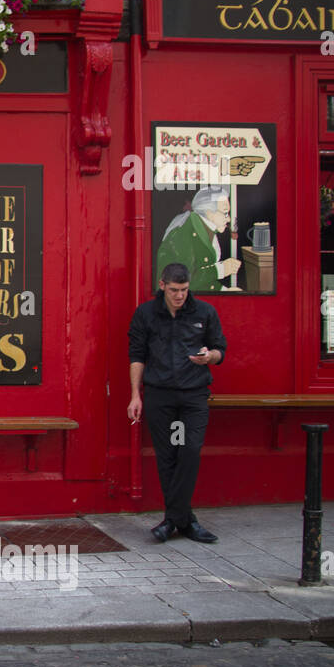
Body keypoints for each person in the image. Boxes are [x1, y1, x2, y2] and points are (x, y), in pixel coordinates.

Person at [127, 262, 227, 543]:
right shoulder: (146, 314)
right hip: (161, 396)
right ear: (162, 286)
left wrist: (210, 357)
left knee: (189, 450)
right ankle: (185, 521)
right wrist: (136, 395)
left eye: (184, 290)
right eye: (174, 290)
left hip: (193, 395)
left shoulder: (204, 312)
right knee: (169, 454)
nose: (179, 295)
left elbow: (220, 348)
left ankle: (174, 519)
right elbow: (137, 355)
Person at [155, 185, 241, 292]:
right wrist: (220, 270)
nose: (228, 219)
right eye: (225, 212)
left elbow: (204, 282)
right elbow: (181, 282)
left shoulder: (205, 229)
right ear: (209, 212)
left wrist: (224, 290)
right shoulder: (182, 233)